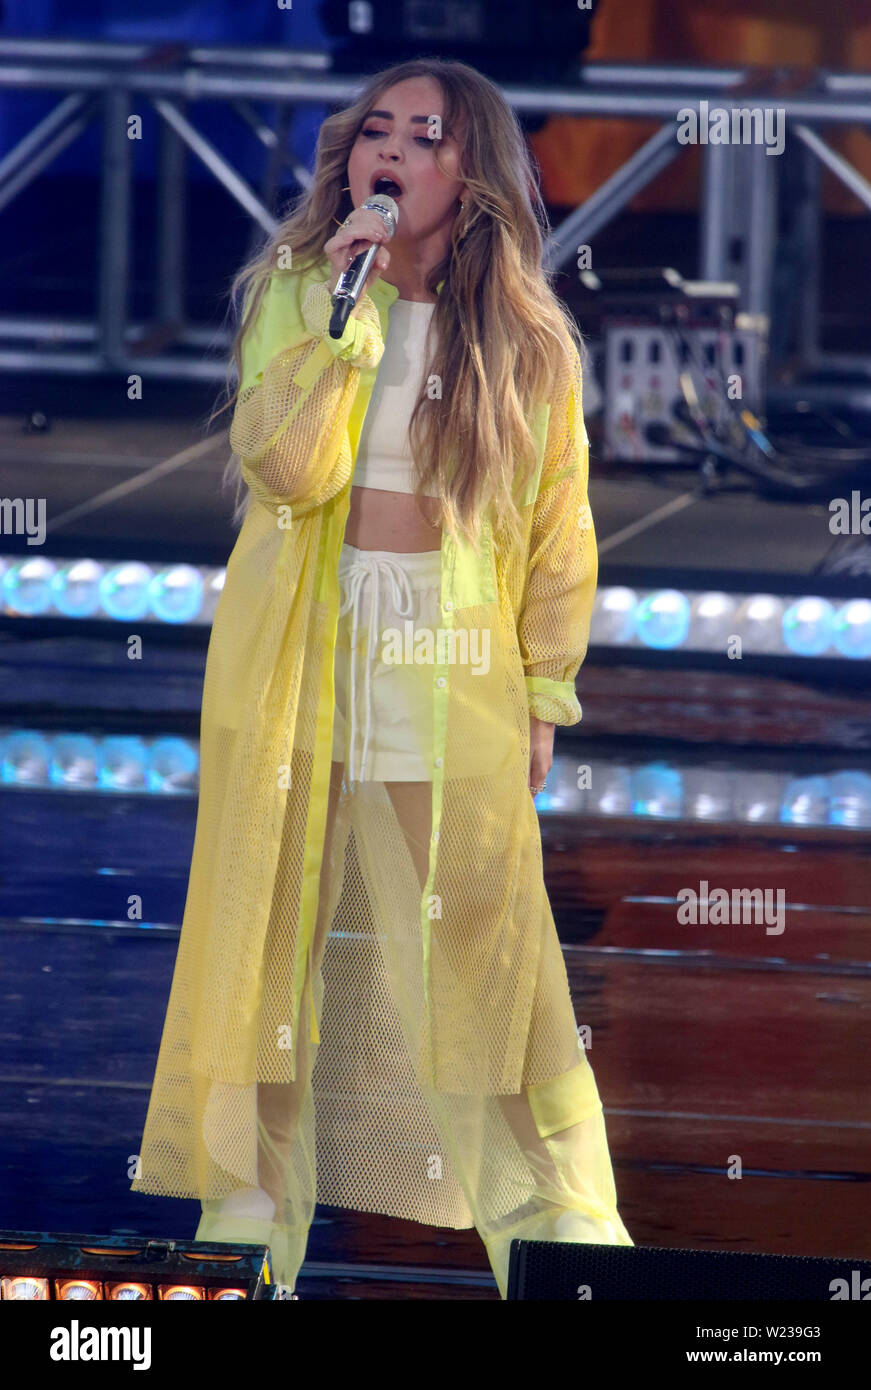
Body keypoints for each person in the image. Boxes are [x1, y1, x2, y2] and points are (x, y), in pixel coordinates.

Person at [130, 56, 633, 1299]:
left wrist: (542, 688)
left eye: (427, 133)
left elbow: (560, 525)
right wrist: (347, 322)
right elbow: (286, 468)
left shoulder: (524, 335)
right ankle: (249, 1222)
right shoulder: (305, 290)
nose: (390, 149)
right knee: (269, 943)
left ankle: (556, 1228)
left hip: (448, 653)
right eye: (377, 130)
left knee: (483, 946)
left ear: (474, 177)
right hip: (306, 642)